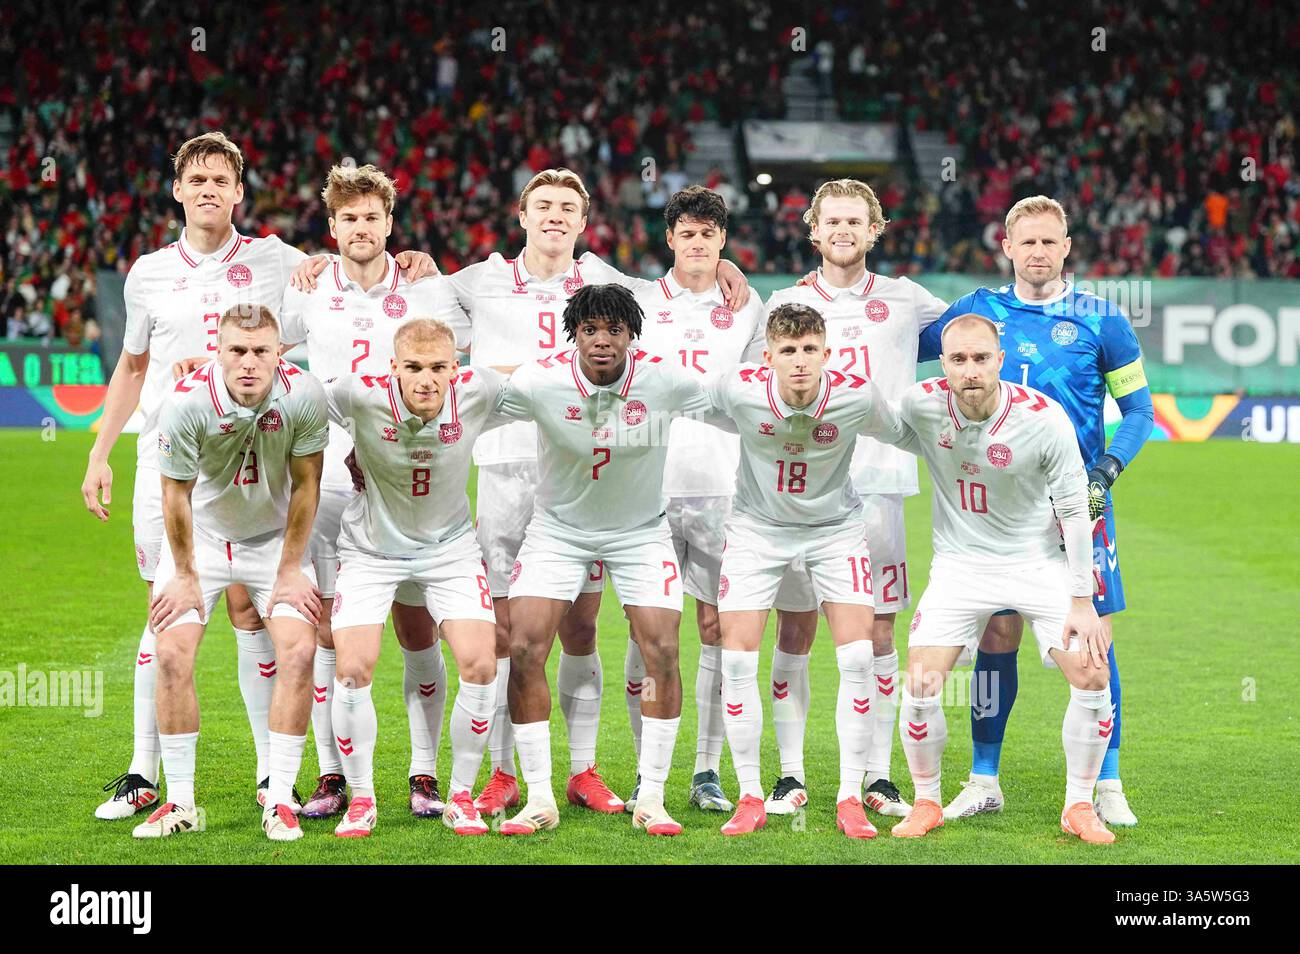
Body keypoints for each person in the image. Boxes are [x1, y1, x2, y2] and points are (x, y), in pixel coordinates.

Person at [291, 168, 751, 817]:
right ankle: (505, 774)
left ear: (584, 219)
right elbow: (403, 312)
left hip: (589, 476)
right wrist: (331, 256)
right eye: (544, 206)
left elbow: (686, 280)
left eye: (568, 206)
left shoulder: (613, 283)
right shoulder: (475, 280)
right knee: (510, 632)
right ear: (522, 214)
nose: (555, 216)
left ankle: (582, 770)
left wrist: (726, 267)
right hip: (502, 469)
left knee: (584, 628)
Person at [81, 131, 433, 820]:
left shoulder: (278, 260)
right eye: (197, 179)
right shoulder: (148, 271)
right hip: (171, 459)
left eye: (222, 179)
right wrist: (100, 452)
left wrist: (410, 261)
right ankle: (142, 771)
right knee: (166, 612)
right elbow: (131, 368)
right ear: (177, 190)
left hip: (262, 459)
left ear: (239, 193)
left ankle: (272, 779)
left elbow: (352, 267)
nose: (209, 188)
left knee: (258, 613)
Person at [917, 196, 1153, 827]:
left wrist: (1106, 471)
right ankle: (984, 777)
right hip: (993, 509)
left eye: (1051, 242)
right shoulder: (977, 312)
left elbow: (1139, 414)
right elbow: (891, 342)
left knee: (1093, 638)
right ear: (1008, 246)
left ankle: (1106, 782)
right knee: (997, 636)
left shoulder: (1102, 321)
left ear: (1067, 247)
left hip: (1078, 505)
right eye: (1029, 243)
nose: (1039, 253)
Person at [278, 163, 467, 821]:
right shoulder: (305, 288)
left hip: (407, 480)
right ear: (332, 228)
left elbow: (458, 362)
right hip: (326, 480)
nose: (361, 229)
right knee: (333, 633)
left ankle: (424, 773)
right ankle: (334, 777)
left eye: (372, 218)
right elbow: (263, 354)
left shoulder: (425, 285)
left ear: (391, 225)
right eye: (349, 219)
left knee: (418, 627)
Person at [492, 283, 715, 837]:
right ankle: (540, 796)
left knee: (662, 648)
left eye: (614, 330)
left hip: (641, 533)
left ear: (631, 335)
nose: (601, 340)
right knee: (522, 646)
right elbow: (469, 402)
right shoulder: (540, 379)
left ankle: (654, 798)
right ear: (574, 334)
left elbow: (734, 405)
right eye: (589, 329)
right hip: (558, 532)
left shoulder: (665, 378)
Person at [755, 179, 948, 818]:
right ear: (813, 231)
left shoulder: (908, 299)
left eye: (855, 222)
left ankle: (877, 774)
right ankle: (789, 775)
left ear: (875, 230)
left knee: (878, 629)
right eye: (831, 221)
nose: (843, 231)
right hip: (801, 488)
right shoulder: (782, 302)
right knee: (796, 626)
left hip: (879, 485)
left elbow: (971, 334)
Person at [891, 313, 1116, 845]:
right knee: (921, 685)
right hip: (959, 567)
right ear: (942, 363)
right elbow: (868, 424)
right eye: (958, 360)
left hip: (1037, 563)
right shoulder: (920, 403)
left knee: (1092, 676)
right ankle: (926, 801)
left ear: (1001, 360)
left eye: (981, 358)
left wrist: (1082, 600)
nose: (970, 370)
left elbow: (1074, 509)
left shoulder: (1043, 418)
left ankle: (1080, 806)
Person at [707, 303, 916, 840]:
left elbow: (902, 434)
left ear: (827, 353)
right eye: (787, 351)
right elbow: (683, 399)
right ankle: (751, 794)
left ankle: (851, 797)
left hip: (834, 530)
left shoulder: (855, 394)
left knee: (857, 658)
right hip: (756, 531)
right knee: (735, 664)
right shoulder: (739, 389)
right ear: (768, 356)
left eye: (809, 351)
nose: (799, 362)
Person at [133, 306, 327, 842]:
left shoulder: (304, 395)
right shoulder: (187, 402)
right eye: (237, 351)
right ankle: (181, 803)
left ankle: (281, 799)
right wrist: (187, 575)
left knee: (300, 651)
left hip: (272, 544)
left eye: (261, 351)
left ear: (278, 353)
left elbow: (307, 484)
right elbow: (174, 493)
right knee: (170, 652)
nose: (248, 363)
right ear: (218, 351)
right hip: (202, 542)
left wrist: (290, 568)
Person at [323, 319, 505, 838]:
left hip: (449, 550)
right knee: (354, 669)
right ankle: (361, 799)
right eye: (414, 368)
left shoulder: (478, 391)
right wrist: (203, 368)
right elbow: (291, 387)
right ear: (393, 369)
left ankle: (461, 796)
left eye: (438, 369)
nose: (426, 380)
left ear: (456, 369)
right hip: (371, 550)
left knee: (479, 663)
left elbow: (536, 382)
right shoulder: (359, 394)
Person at [624, 185, 765, 814]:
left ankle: (706, 769)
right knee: (648, 632)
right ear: (671, 239)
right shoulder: (638, 300)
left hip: (720, 484)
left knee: (713, 627)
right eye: (688, 232)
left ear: (722, 240)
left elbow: (760, 385)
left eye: (710, 233)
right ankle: (641, 768)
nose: (699, 242)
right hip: (648, 481)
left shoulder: (747, 304)